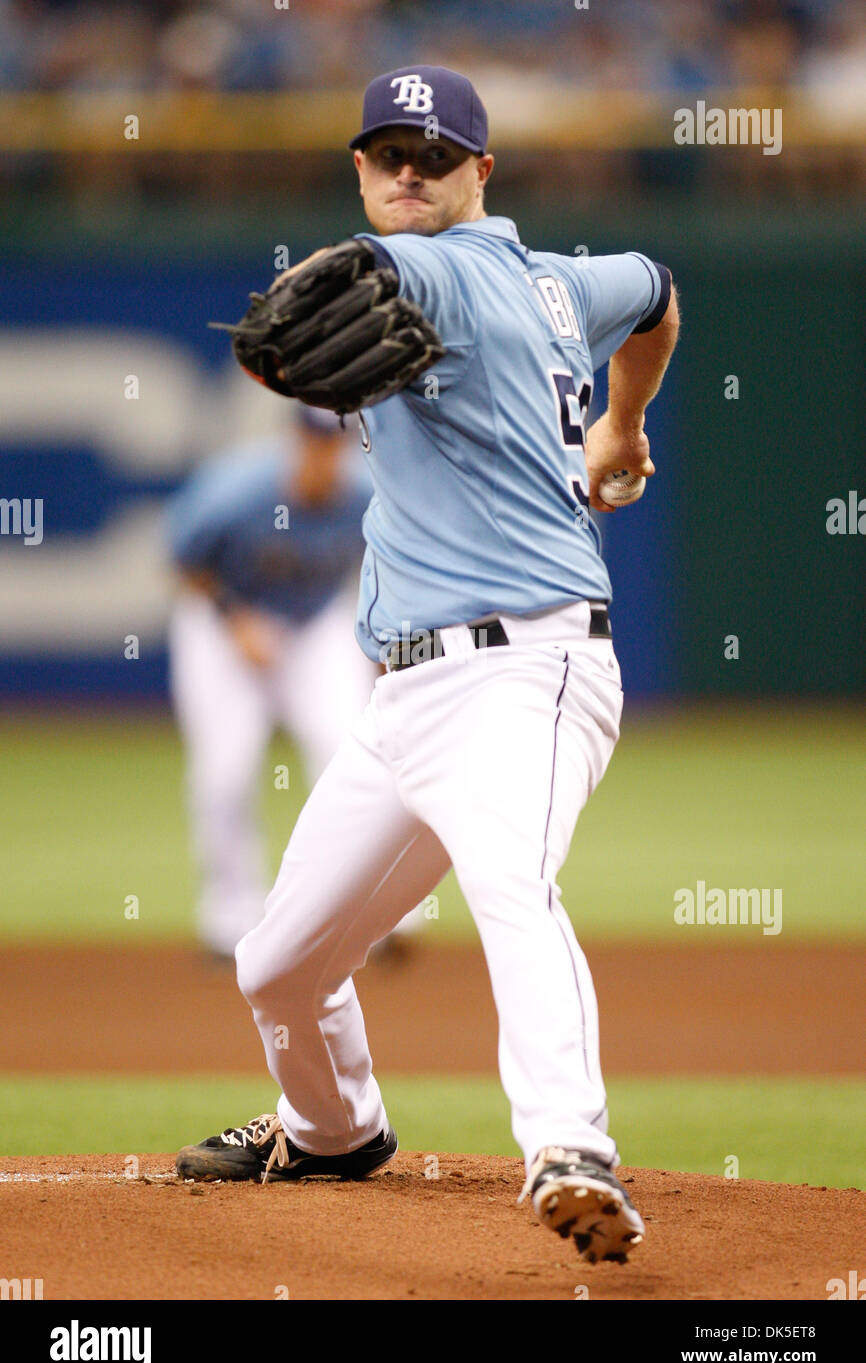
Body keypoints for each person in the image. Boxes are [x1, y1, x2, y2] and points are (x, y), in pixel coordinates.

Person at [176, 65, 679, 1267]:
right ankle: (333, 1129)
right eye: (388, 152)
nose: (409, 171)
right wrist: (625, 422)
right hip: (402, 692)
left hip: (528, 669)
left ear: (478, 173)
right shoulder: (568, 280)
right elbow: (658, 290)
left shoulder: (424, 263)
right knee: (279, 964)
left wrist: (340, 287)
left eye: (434, 154)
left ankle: (569, 1148)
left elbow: (357, 284)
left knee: (510, 885)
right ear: (360, 163)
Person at [166, 405, 377, 957]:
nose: (322, 451)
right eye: (312, 439)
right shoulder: (237, 490)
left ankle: (365, 918)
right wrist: (235, 619)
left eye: (334, 440)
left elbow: (388, 564)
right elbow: (181, 558)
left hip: (315, 625)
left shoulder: (366, 495)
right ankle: (230, 920)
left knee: (352, 758)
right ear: (294, 437)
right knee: (224, 773)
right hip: (223, 628)